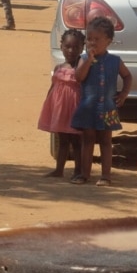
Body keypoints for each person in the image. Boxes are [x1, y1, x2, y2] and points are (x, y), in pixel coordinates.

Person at [69, 16, 131, 185]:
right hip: (89, 108)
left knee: (105, 141)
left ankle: (106, 176)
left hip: (108, 109)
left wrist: (124, 93)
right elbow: (79, 77)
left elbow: (127, 76)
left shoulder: (115, 61)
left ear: (108, 41)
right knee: (87, 140)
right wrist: (88, 60)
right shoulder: (83, 59)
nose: (92, 43)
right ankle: (84, 174)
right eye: (89, 39)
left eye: (97, 39)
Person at [38, 28, 87, 179]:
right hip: (60, 109)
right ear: (61, 47)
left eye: (76, 47)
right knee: (63, 140)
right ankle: (59, 170)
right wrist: (49, 105)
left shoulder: (81, 68)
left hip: (74, 108)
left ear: (82, 48)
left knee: (77, 141)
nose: (71, 50)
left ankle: (78, 171)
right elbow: (53, 87)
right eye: (68, 46)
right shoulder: (58, 68)